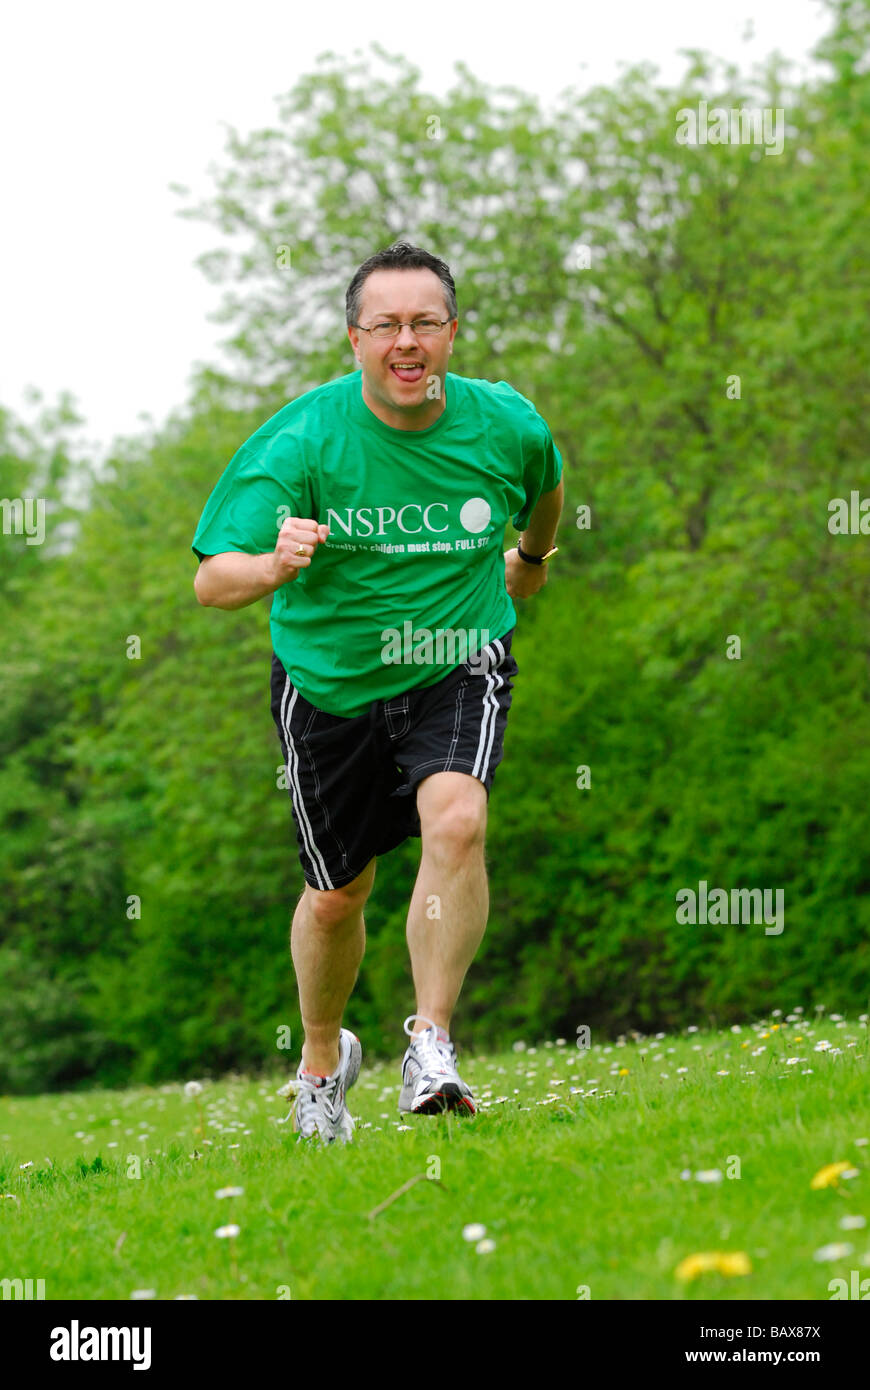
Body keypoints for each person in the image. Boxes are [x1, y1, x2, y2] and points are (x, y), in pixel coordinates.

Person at [191, 241, 563, 1144]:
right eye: (387, 324)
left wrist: (531, 558)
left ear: (452, 333)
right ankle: (322, 1064)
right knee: (336, 896)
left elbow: (546, 484)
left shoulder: (502, 425)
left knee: (459, 821)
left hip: (456, 657)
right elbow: (211, 581)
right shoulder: (304, 438)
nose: (407, 341)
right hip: (331, 686)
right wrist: (274, 564)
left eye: (424, 323)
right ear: (354, 338)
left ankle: (431, 1041)